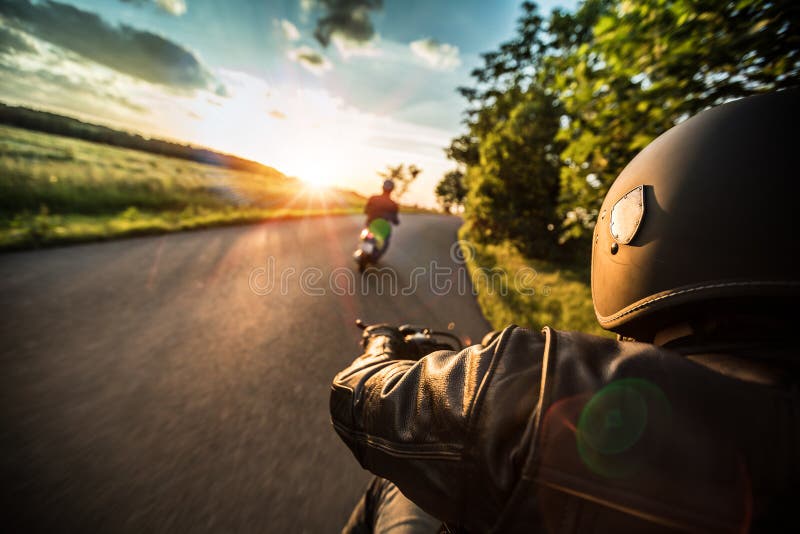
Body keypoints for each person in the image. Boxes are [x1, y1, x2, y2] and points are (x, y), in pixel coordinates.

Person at [331, 88, 800, 533]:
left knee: (394, 486)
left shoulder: (540, 386)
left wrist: (379, 346)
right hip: (378, 233)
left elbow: (359, 395)